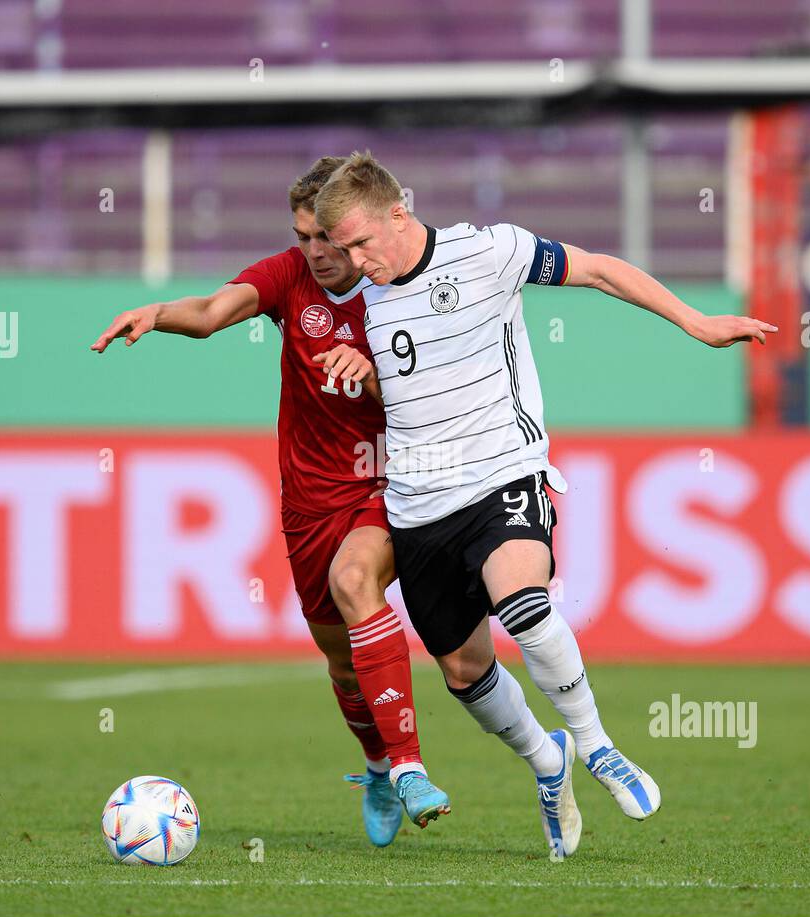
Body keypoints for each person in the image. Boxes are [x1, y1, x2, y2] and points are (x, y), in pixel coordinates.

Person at [313, 151, 776, 856]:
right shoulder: (360, 294)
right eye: (337, 247)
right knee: (464, 671)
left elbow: (597, 268)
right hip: (416, 504)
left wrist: (695, 321)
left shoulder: (488, 251)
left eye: (357, 243)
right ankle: (547, 760)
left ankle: (598, 747)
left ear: (397, 213)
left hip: (504, 475)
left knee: (522, 595)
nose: (350, 259)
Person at [90, 156, 450, 844]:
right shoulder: (288, 277)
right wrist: (158, 313)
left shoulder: (400, 285)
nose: (316, 252)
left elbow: (436, 396)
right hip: (310, 501)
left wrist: (376, 379)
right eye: (304, 235)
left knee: (356, 579)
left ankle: (408, 766)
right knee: (340, 658)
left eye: (328, 239)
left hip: (393, 484)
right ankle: (376, 764)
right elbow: (210, 313)